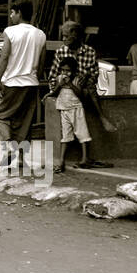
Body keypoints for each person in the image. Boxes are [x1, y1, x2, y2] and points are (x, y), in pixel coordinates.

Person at [48, 20, 112, 168]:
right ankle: (69, 160)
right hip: (66, 94)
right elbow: (53, 76)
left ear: (75, 35)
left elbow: (95, 74)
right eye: (62, 36)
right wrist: (58, 87)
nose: (63, 39)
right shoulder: (61, 52)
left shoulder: (89, 51)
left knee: (89, 85)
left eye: (66, 36)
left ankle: (102, 117)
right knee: (68, 133)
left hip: (82, 92)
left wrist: (85, 76)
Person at [0, 0, 47, 173]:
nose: (10, 16)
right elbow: (41, 63)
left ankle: (9, 146)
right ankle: (22, 160)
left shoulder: (10, 31)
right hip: (31, 84)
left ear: (18, 13)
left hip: (12, 82)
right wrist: (34, 79)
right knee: (25, 123)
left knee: (2, 116)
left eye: (12, 12)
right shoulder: (40, 35)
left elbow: (4, 57)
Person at [50, 55, 93, 173]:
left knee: (82, 133)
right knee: (65, 136)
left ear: (73, 71)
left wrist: (70, 84)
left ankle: (85, 159)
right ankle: (61, 161)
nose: (65, 73)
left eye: (68, 71)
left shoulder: (77, 80)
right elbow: (54, 92)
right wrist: (60, 84)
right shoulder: (59, 79)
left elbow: (80, 94)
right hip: (64, 109)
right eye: (63, 70)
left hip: (76, 109)